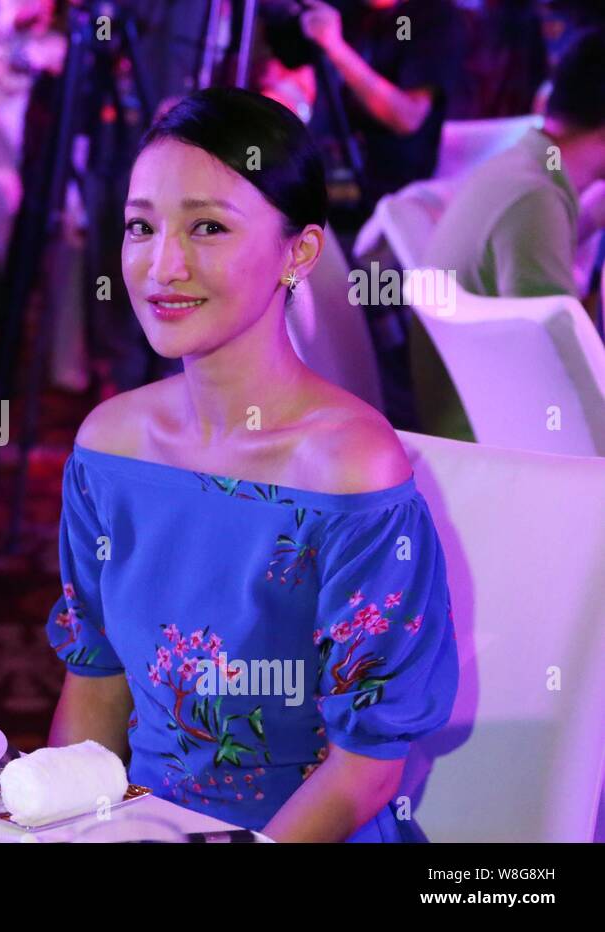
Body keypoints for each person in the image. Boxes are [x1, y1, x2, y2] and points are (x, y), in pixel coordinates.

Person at [44, 88, 459, 843]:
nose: (163, 265)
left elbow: (364, 766)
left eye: (207, 227)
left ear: (298, 251)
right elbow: (94, 689)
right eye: (141, 227)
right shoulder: (110, 445)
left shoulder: (348, 467)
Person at [419, 27, 605, 441]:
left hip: (470, 426)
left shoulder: (518, 169)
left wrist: (585, 220)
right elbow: (563, 372)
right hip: (510, 450)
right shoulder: (534, 199)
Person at [297, 0, 464, 230]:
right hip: (315, 184)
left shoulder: (434, 17)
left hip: (380, 206)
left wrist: (335, 47)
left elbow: (407, 117)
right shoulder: (340, 9)